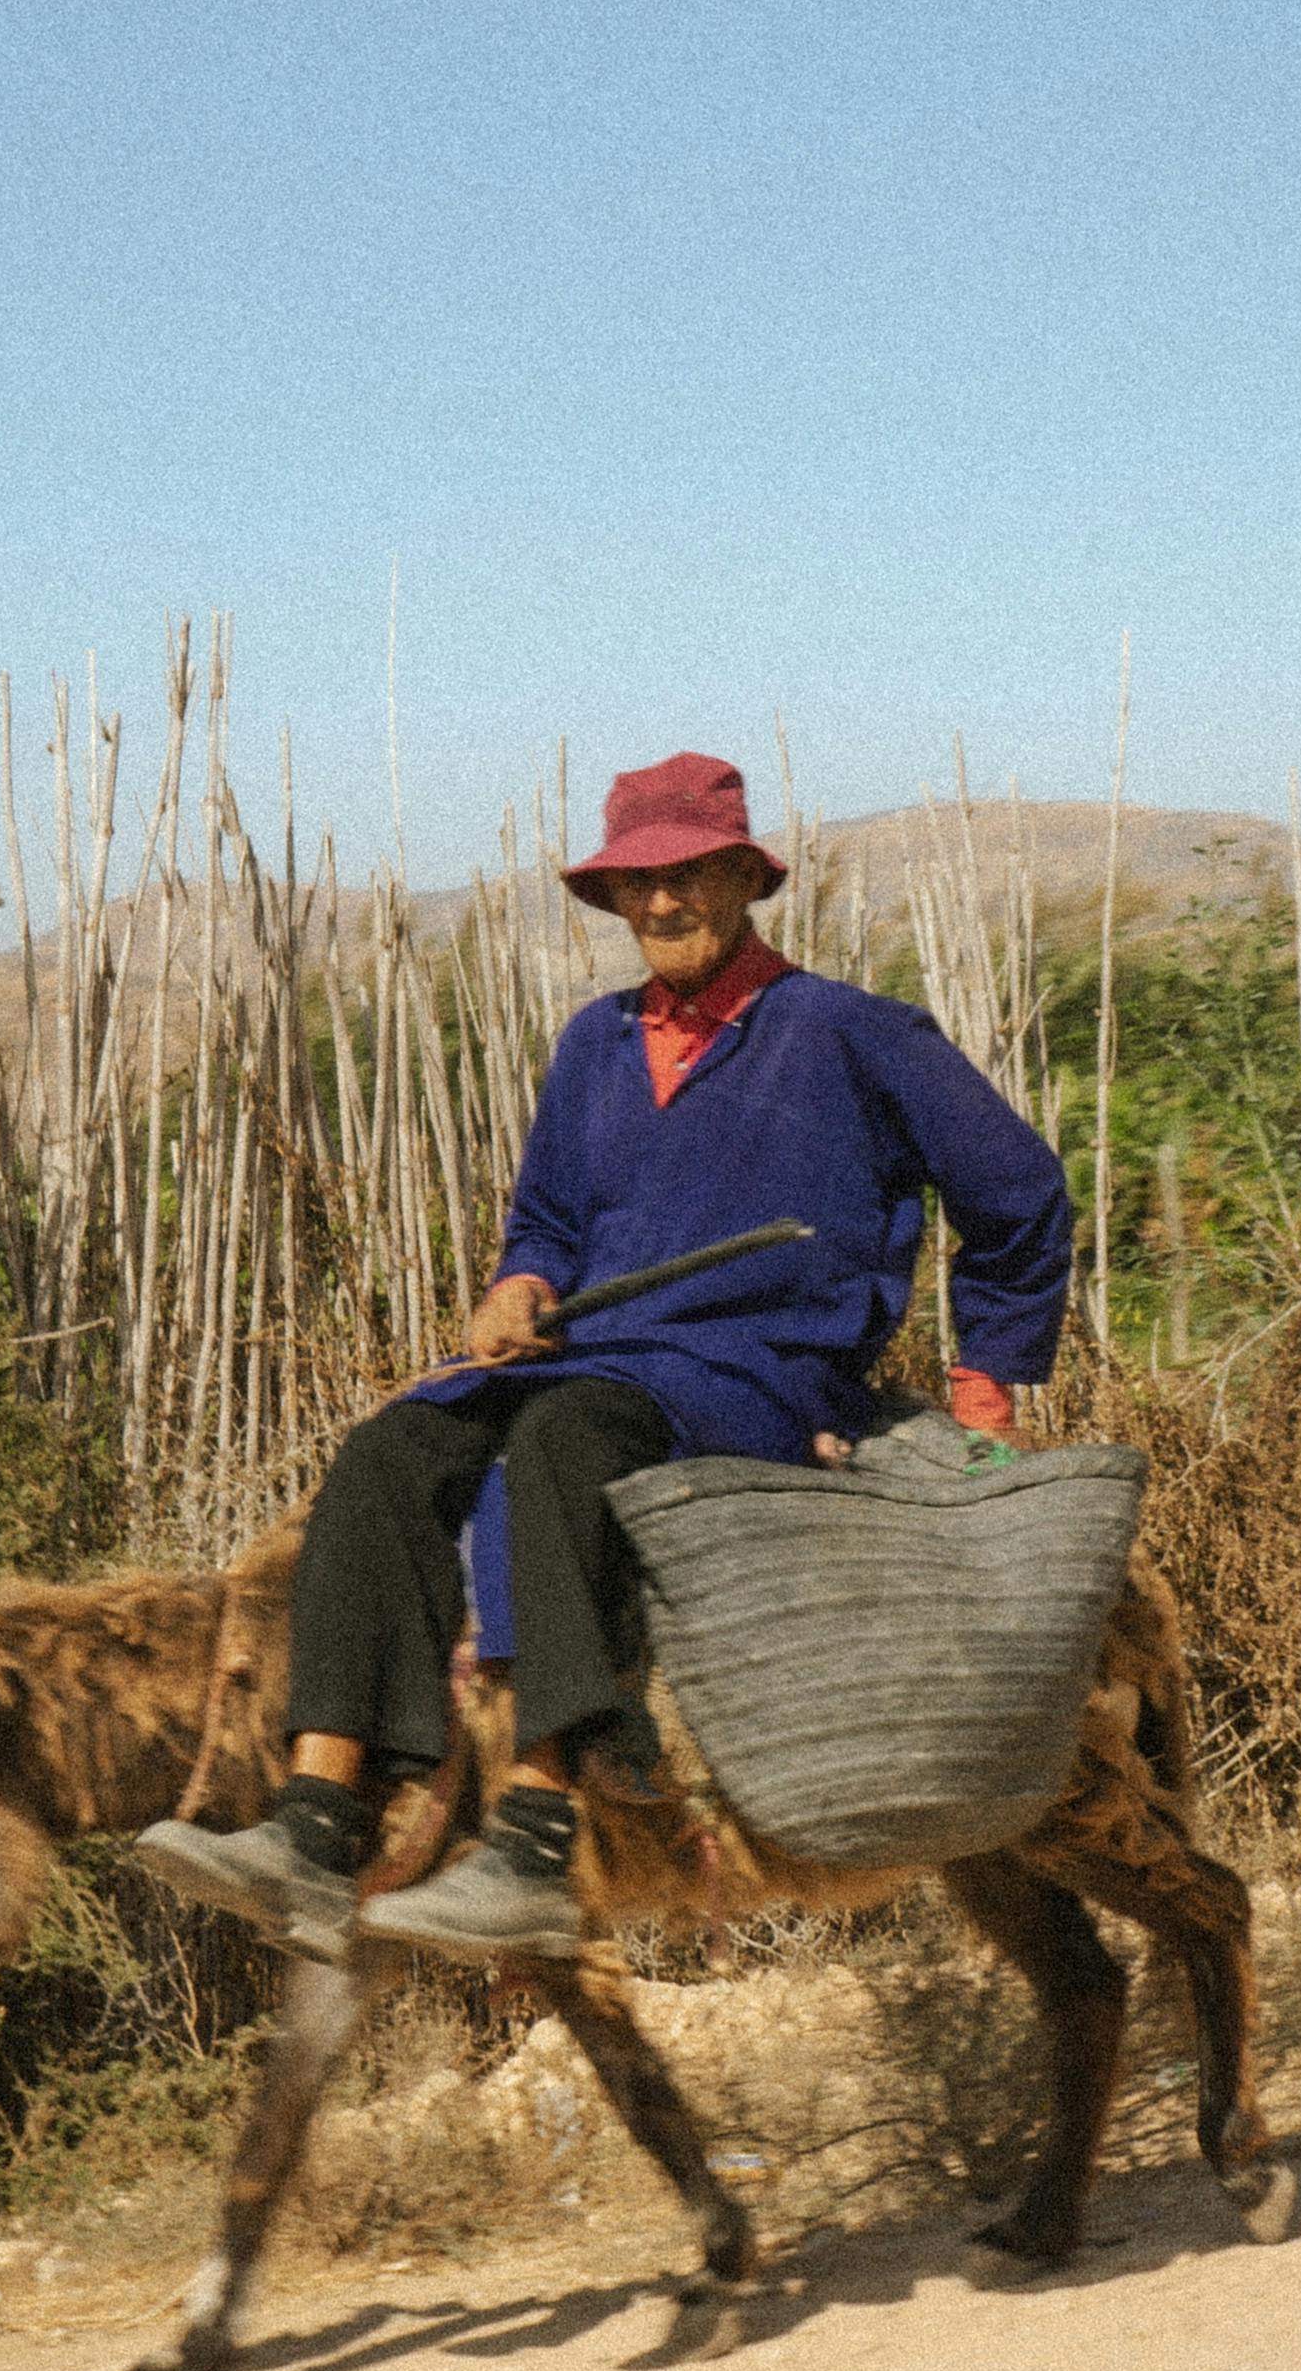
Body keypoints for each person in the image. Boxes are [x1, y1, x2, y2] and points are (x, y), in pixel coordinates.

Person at [139, 749, 1074, 1961]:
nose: (661, 903)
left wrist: (984, 1389)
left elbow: (1022, 1190)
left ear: (743, 876)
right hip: (600, 1353)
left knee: (563, 1440)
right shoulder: (594, 1043)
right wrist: (517, 1284)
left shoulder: (853, 1034)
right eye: (637, 882)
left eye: (687, 874)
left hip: (760, 1368)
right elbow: (550, 1228)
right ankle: (317, 1822)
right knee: (393, 1445)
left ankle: (536, 1834)